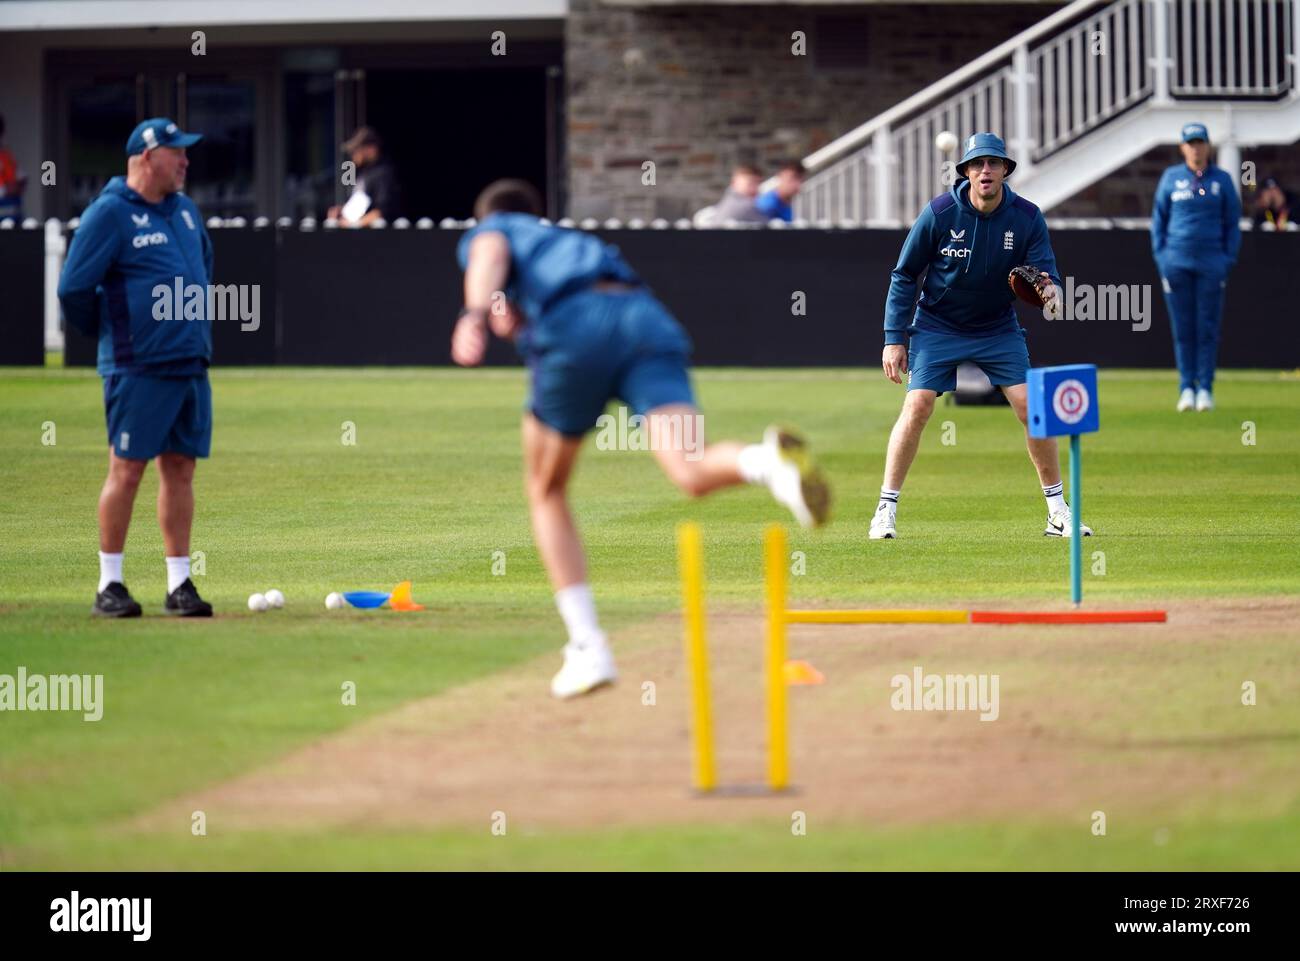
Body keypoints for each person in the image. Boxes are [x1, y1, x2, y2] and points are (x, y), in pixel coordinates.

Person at [451, 179, 831, 699]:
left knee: (547, 490)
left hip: (577, 325)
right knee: (689, 468)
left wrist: (474, 313)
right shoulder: (566, 243)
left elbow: (490, 253)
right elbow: (512, 305)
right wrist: (509, 316)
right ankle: (767, 463)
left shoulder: (497, 228)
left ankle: (589, 648)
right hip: (645, 319)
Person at [871, 132, 1090, 541]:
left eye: (992, 163)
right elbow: (904, 274)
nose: (984, 170)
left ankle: (1057, 510)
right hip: (938, 323)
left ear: (1005, 170)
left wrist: (1051, 293)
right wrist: (893, 337)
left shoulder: (1026, 217)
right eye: (977, 164)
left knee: (1031, 408)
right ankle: (885, 508)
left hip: (996, 327)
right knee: (917, 406)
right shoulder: (939, 213)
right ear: (966, 172)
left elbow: (1050, 283)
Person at [57, 118, 216, 618]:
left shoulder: (186, 212)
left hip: (188, 362)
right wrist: (116, 337)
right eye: (176, 152)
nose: (186, 161)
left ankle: (180, 585)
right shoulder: (109, 214)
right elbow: (73, 289)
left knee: (181, 470)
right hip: (137, 366)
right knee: (126, 471)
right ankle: (110, 585)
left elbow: (204, 269)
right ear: (147, 158)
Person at [1151, 122, 1241, 412]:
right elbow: (1159, 223)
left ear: (1208, 145)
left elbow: (1232, 225)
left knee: (1207, 328)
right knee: (1183, 329)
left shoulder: (1222, 180)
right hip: (1176, 263)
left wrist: (1226, 260)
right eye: (1191, 142)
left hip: (1211, 263)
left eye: (1200, 142)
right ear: (1182, 147)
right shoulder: (1170, 178)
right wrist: (1163, 259)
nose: (1196, 147)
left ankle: (1206, 389)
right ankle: (1186, 388)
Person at [327, 126, 402, 227]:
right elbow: (361, 204)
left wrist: (354, 224)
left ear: (371, 148)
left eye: (356, 150)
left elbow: (382, 211)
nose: (353, 155)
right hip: (358, 233)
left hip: (376, 237)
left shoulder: (383, 173)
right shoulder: (364, 173)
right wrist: (342, 212)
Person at [0, 114, 27, 221]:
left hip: (13, 211)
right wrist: (5, 190)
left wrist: (16, 187)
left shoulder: (6, 156)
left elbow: (22, 178)